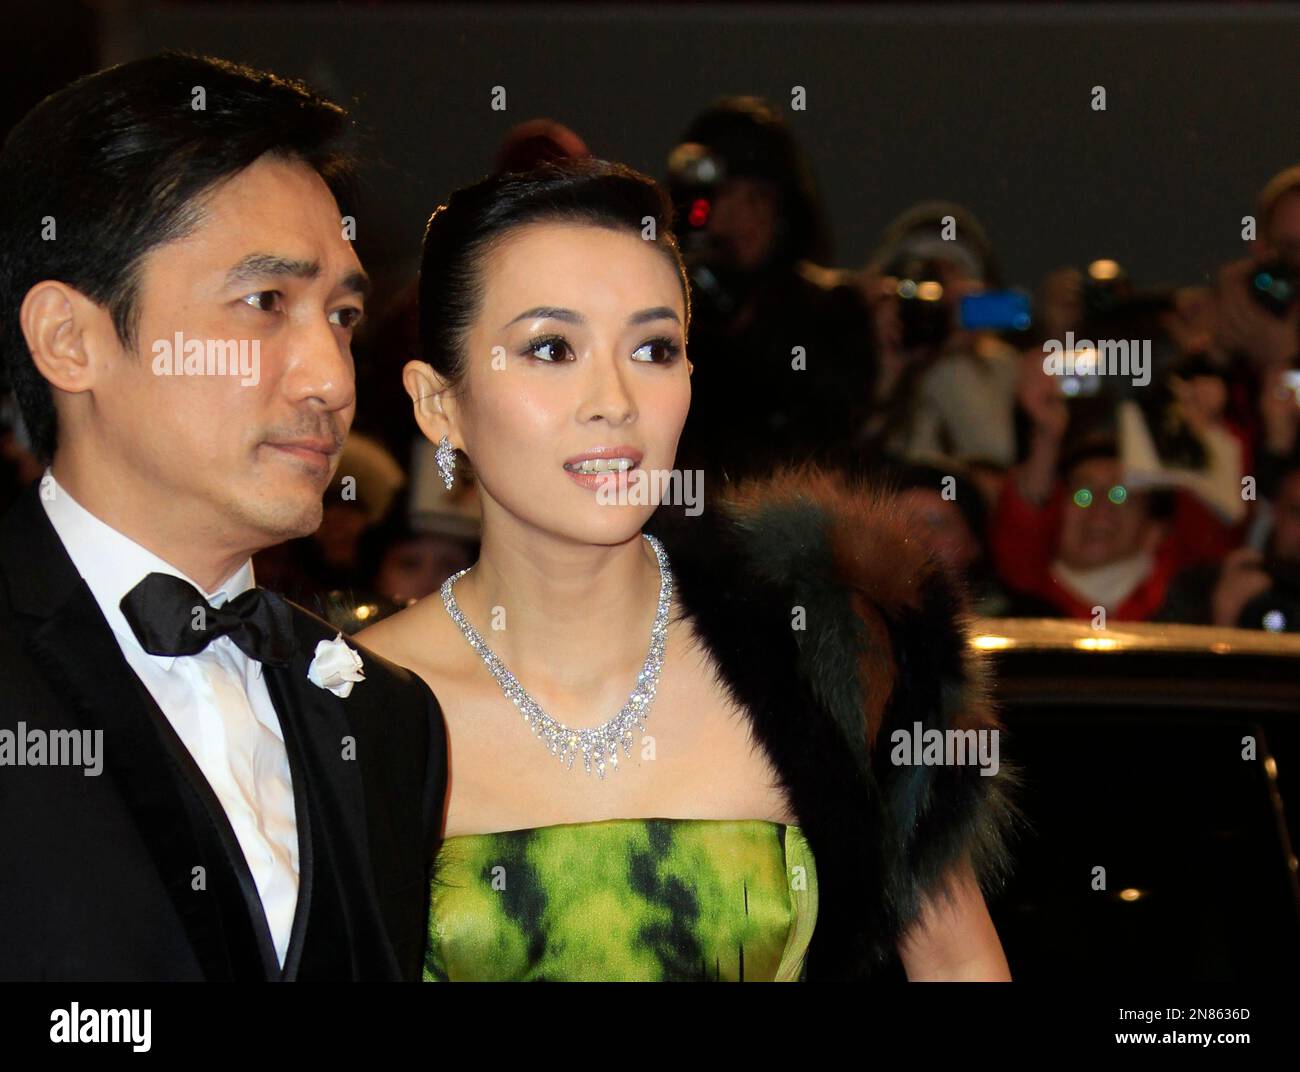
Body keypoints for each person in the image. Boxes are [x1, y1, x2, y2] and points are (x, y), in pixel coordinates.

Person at [357, 159, 1019, 981]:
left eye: (653, 347)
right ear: (437, 404)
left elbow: (962, 972)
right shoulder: (351, 707)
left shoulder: (829, 656)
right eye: (552, 347)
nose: (615, 400)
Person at [0, 52, 447, 980]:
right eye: (265, 303)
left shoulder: (392, 720)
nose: (332, 380)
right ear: (70, 339)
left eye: (343, 317)